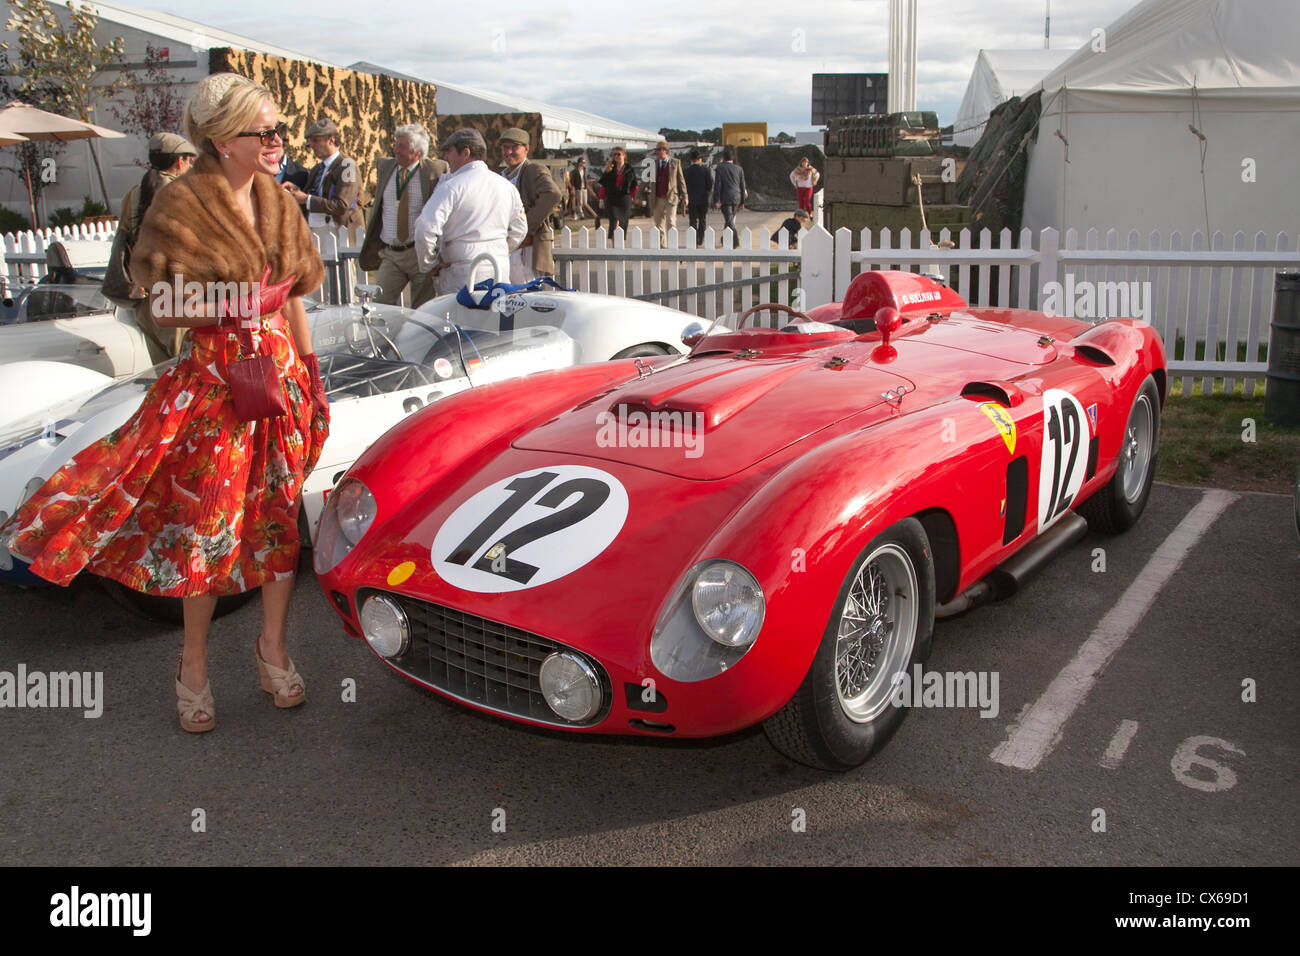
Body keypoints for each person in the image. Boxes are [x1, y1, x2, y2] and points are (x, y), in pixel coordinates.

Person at [3, 72, 329, 733]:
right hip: (215, 389)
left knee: (276, 524)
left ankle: (273, 650)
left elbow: (294, 292)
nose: (276, 141)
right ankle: (194, 664)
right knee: (204, 532)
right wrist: (237, 304)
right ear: (221, 138)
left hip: (279, 382)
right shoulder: (180, 206)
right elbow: (161, 305)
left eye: (278, 130)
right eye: (261, 132)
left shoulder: (279, 202)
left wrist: (313, 372)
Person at [115, 131, 198, 362]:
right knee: (187, 375)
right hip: (175, 297)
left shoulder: (133, 193)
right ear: (180, 161)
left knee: (163, 373)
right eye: (190, 161)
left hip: (143, 298)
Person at [414, 128, 527, 296]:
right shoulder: (506, 186)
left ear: (465, 152)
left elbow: (424, 228)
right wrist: (498, 249)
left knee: (458, 320)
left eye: (449, 152)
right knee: (493, 320)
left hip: (461, 273)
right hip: (498, 268)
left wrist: (429, 265)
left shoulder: (451, 187)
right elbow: (519, 229)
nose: (446, 158)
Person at [358, 123, 448, 307]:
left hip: (418, 253)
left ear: (418, 153)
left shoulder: (433, 171)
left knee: (422, 309)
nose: (395, 150)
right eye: (396, 144)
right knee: (379, 305)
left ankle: (417, 337)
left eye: (402, 147)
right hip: (391, 253)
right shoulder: (385, 166)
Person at [497, 127, 563, 283]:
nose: (509, 152)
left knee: (526, 295)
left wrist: (525, 230)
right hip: (508, 246)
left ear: (526, 149)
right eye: (505, 147)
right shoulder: (502, 175)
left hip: (527, 249)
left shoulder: (533, 169)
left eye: (514, 147)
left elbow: (553, 194)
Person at [284, 117, 363, 234]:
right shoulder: (317, 169)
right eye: (310, 142)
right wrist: (297, 191)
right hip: (318, 232)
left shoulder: (347, 166)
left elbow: (341, 205)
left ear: (331, 140)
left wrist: (306, 199)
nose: (311, 146)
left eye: (315, 141)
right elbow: (316, 196)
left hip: (340, 234)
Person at [648, 139, 687, 248]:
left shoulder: (675, 162)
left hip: (671, 197)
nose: (657, 152)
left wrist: (685, 196)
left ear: (666, 151)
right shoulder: (653, 164)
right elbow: (645, 181)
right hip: (657, 198)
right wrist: (638, 195)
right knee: (658, 224)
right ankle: (663, 247)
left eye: (659, 150)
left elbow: (681, 180)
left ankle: (673, 247)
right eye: (656, 150)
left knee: (671, 222)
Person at [598, 146, 637, 240]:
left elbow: (634, 186)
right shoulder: (609, 169)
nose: (616, 156)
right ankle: (614, 245)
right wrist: (601, 199)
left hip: (624, 200)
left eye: (618, 154)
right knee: (614, 221)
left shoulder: (629, 169)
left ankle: (620, 247)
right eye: (614, 154)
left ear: (624, 156)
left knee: (623, 223)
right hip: (612, 199)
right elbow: (604, 186)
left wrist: (634, 198)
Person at [712, 147, 747, 248]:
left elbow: (717, 185)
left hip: (725, 198)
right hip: (737, 197)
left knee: (729, 220)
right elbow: (742, 185)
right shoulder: (739, 169)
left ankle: (735, 241)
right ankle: (725, 238)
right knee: (730, 219)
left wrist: (716, 200)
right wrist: (742, 202)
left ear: (723, 158)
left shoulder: (720, 168)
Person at [683, 149, 713, 247]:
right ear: (699, 159)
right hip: (703, 199)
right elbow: (709, 185)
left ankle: (694, 240)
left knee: (692, 220)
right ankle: (701, 238)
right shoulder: (705, 170)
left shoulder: (686, 171)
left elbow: (683, 186)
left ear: (691, 160)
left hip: (691, 199)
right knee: (702, 220)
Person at [568, 156, 596, 221]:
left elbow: (584, 178)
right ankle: (581, 215)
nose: (583, 164)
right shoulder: (575, 171)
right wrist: (572, 188)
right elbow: (572, 180)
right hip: (579, 188)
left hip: (584, 188)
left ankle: (575, 211)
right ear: (579, 163)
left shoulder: (584, 169)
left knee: (585, 202)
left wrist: (587, 184)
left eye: (584, 162)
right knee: (580, 203)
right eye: (582, 162)